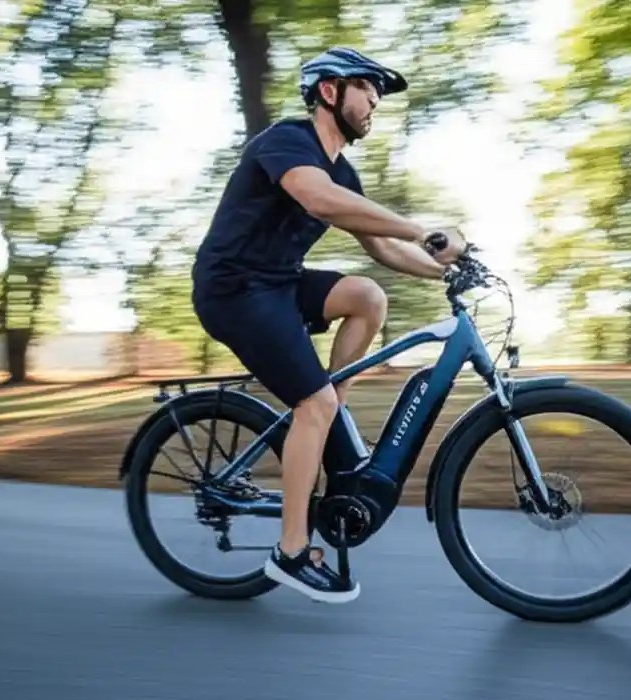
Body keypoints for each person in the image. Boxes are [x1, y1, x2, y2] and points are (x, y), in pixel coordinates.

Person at [190, 47, 466, 603]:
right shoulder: (287, 142)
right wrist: (423, 229)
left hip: (279, 282)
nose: (375, 104)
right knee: (311, 404)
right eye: (369, 90)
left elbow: (381, 247)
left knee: (367, 296)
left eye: (378, 96)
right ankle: (291, 550)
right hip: (234, 289)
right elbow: (320, 201)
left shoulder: (344, 171)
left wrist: (447, 269)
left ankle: (327, 421)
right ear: (330, 92)